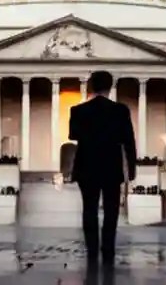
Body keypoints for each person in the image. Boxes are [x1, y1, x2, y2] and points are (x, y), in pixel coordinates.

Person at [67, 70, 137, 263]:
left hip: (86, 165)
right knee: (111, 210)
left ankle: (91, 249)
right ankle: (108, 249)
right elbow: (129, 141)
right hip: (111, 166)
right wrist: (131, 170)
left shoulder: (77, 110)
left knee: (89, 209)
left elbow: (72, 135)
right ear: (110, 86)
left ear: (91, 86)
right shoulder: (121, 110)